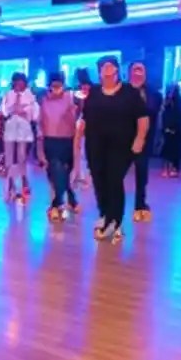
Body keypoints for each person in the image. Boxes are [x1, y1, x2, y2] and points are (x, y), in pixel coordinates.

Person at [75, 56, 148, 243]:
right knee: (99, 180)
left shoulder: (129, 92)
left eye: (111, 66)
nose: (107, 70)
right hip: (95, 144)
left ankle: (115, 220)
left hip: (121, 146)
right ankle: (105, 214)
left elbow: (143, 118)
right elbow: (85, 118)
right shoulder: (94, 93)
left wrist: (139, 139)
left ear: (117, 70)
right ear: (99, 72)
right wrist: (77, 139)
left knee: (114, 180)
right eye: (103, 67)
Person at [36, 71, 80, 221]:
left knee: (63, 173)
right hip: (50, 140)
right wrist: (40, 140)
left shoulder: (70, 99)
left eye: (59, 85)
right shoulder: (44, 101)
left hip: (66, 140)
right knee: (55, 172)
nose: (56, 88)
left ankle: (60, 203)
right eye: (53, 85)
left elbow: (75, 120)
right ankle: (61, 202)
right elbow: (40, 121)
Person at [128, 61, 163, 221]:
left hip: (143, 141)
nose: (137, 73)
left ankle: (140, 205)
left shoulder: (154, 95)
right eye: (134, 70)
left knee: (142, 174)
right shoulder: (122, 91)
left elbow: (151, 113)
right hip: (123, 140)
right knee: (116, 174)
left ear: (145, 73)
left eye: (140, 70)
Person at [0, 72, 39, 203]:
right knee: (9, 158)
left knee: (22, 156)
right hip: (10, 129)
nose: (18, 84)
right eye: (16, 81)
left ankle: (24, 181)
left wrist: (24, 111)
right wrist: (11, 110)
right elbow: (3, 111)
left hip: (24, 129)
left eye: (21, 81)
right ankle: (10, 184)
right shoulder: (8, 95)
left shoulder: (30, 96)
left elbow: (35, 114)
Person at [159, 84, 181, 178]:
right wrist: (165, 127)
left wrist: (176, 128)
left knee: (175, 150)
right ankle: (166, 168)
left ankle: (175, 168)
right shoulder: (167, 102)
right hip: (167, 129)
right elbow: (164, 115)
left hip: (178, 131)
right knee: (166, 149)